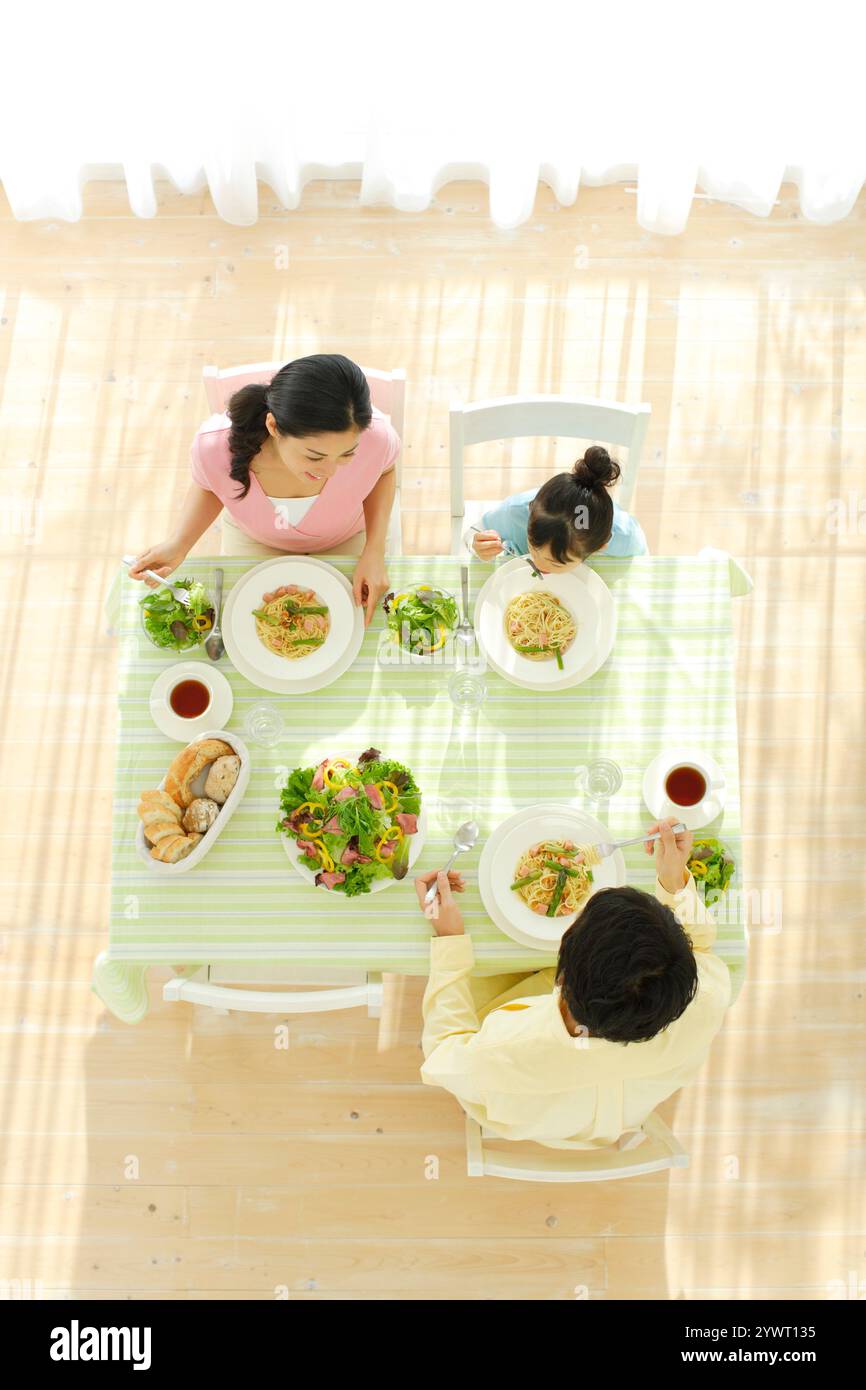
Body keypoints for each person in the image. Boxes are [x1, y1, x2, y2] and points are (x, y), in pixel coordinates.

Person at [415, 820, 730, 1149]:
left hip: (528, 1113)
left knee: (484, 976)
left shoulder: (505, 1050)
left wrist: (449, 939)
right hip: (613, 1116)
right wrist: (673, 881)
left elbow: (441, 1053)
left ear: (559, 974)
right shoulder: (709, 996)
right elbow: (700, 947)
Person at [128, 354, 399, 625]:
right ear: (274, 427)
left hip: (348, 537)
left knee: (358, 624)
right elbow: (209, 487)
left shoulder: (375, 437)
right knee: (244, 624)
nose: (330, 472)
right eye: (315, 457)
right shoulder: (215, 446)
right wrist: (179, 544)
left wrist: (374, 549)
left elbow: (384, 472)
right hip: (256, 540)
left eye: (346, 455)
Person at [468, 445, 647, 574]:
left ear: (599, 547)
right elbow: (472, 532)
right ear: (531, 512)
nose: (538, 564)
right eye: (532, 546)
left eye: (555, 563)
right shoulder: (517, 512)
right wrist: (477, 546)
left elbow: (643, 559)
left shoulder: (624, 535)